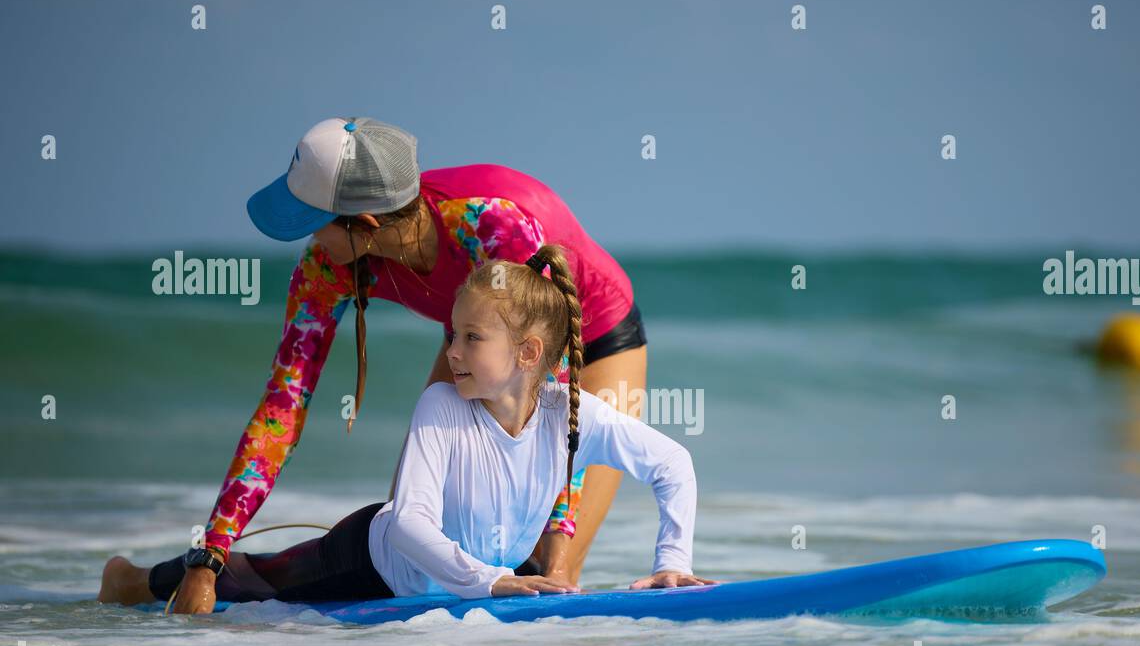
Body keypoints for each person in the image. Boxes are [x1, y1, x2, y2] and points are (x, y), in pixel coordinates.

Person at [173, 116, 649, 613]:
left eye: (314, 224)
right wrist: (210, 554)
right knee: (406, 549)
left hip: (593, 339)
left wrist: (558, 549)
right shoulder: (327, 268)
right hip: (479, 339)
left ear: (367, 226)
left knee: (544, 569)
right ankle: (153, 582)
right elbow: (282, 407)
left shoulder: (493, 228)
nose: (310, 243)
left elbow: (555, 400)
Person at [98, 246, 716, 609]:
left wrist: (671, 561)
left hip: (474, 577)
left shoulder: (572, 415)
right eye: (452, 333)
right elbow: (412, 523)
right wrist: (492, 582)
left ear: (528, 354)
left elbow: (673, 465)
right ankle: (130, 582)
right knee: (254, 582)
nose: (452, 351)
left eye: (472, 338)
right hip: (373, 562)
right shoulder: (442, 408)